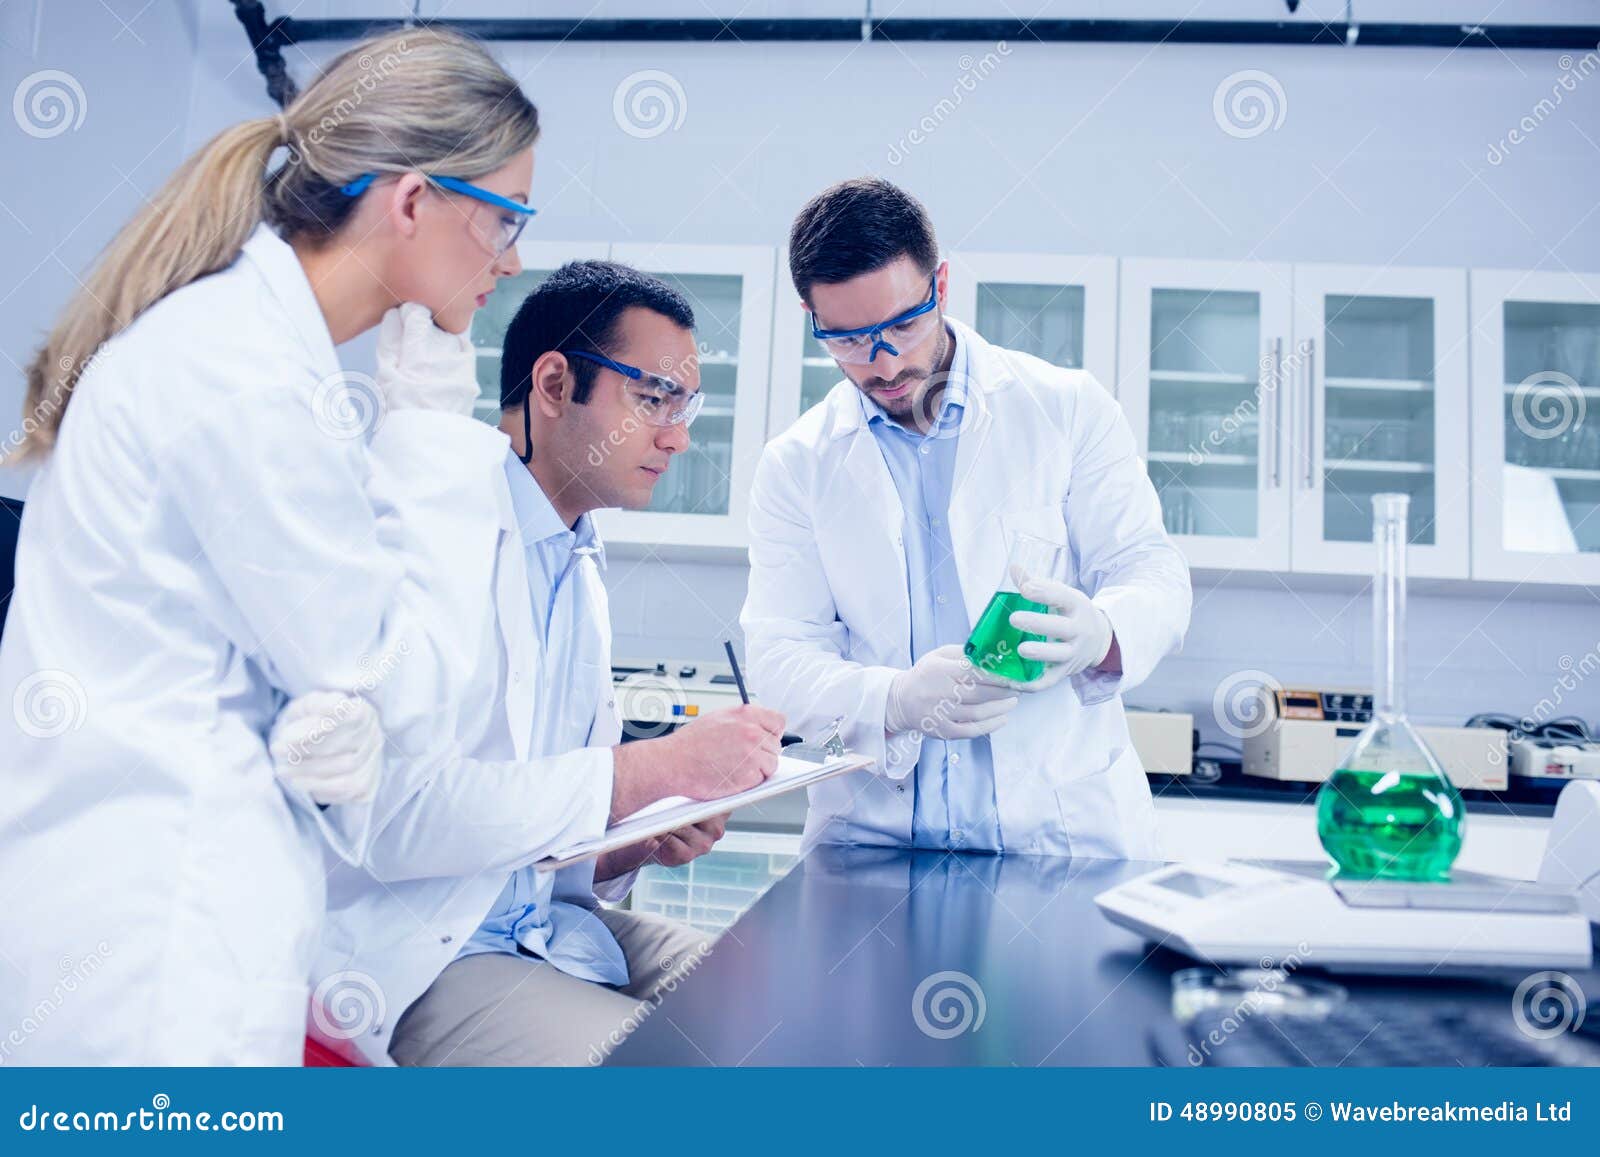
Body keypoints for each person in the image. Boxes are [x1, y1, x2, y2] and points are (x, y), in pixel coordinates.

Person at [0, 28, 542, 1065]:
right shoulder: (243, 380)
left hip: (163, 919)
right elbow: (402, 685)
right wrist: (429, 431)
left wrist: (342, 717)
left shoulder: (245, 353)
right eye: (507, 217)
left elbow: (339, 683)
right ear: (416, 200)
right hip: (154, 956)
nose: (512, 259)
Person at [276, 261, 785, 1067]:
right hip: (427, 950)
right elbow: (397, 817)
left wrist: (636, 844)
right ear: (554, 384)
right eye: (653, 397)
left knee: (786, 1013)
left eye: (684, 405)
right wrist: (646, 770)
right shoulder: (428, 535)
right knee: (664, 1075)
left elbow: (550, 838)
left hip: (547, 923)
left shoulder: (577, 561)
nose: (678, 434)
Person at [741, 177, 1191, 859]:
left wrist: (1102, 631)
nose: (884, 361)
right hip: (874, 842)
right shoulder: (797, 464)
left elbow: (1152, 571)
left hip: (1062, 839)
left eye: (902, 324)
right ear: (811, 317)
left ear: (941, 285)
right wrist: (893, 700)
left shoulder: (1066, 409)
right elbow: (778, 657)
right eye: (849, 339)